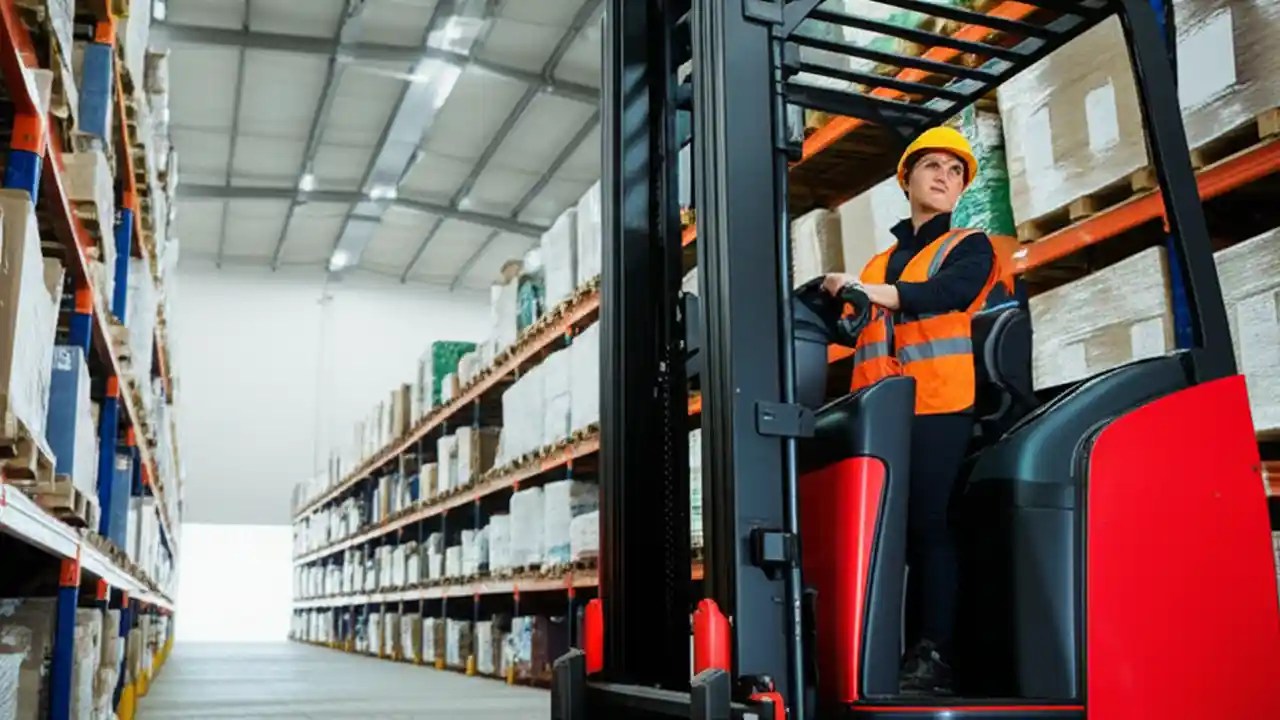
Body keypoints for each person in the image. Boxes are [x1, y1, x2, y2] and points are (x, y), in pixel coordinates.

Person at [822, 126, 1007, 695]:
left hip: (937, 405)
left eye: (955, 172)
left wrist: (866, 292)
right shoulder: (877, 262)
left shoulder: (970, 247)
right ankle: (878, 643)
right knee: (881, 533)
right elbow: (852, 332)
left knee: (928, 525)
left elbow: (943, 296)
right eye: (933, 166)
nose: (944, 178)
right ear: (907, 179)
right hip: (875, 412)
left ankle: (934, 655)